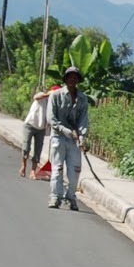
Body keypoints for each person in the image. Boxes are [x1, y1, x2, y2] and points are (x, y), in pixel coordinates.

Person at [47, 67, 90, 211]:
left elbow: (84, 119)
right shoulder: (56, 95)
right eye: (70, 77)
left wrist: (82, 136)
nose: (72, 80)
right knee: (57, 168)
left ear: (78, 80)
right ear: (65, 79)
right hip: (59, 137)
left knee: (75, 170)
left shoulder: (82, 98)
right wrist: (65, 131)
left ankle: (71, 197)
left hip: (74, 140)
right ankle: (55, 197)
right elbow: (51, 119)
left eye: (75, 77)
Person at [20, 89, 51, 177]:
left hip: (41, 128)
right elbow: (36, 97)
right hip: (30, 124)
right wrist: (47, 95)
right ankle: (24, 165)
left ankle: (33, 170)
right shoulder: (43, 96)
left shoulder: (53, 103)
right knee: (26, 146)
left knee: (38, 149)